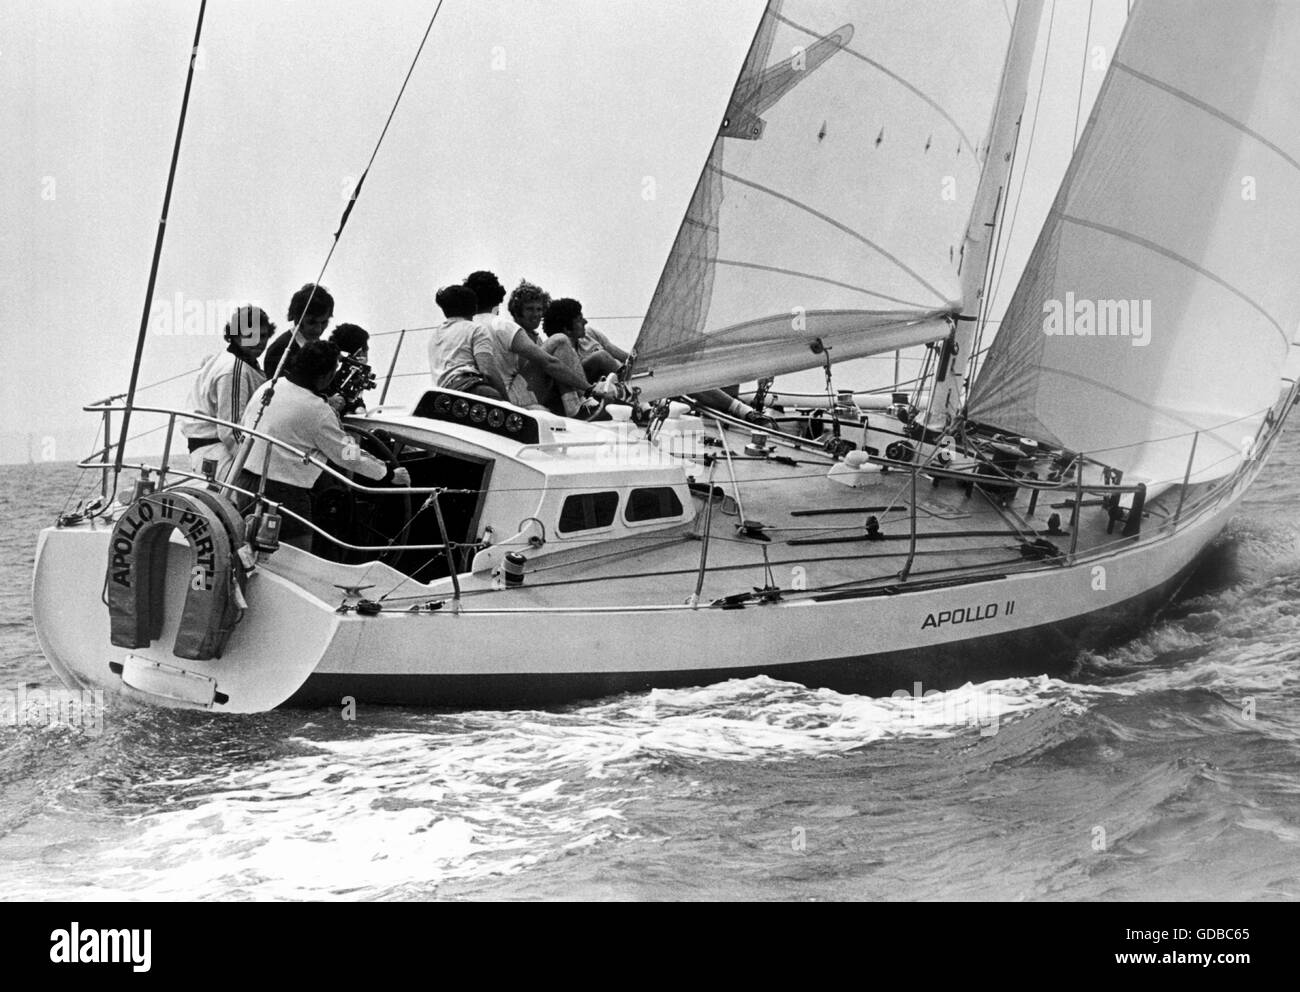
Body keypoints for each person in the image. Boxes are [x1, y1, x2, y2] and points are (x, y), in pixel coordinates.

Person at [237, 339, 410, 553]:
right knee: (297, 563)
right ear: (327, 375)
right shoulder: (318, 411)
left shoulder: (270, 386)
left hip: (244, 482)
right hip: (284, 495)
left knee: (247, 550)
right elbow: (346, 454)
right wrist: (387, 473)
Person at [464, 270, 590, 409]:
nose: (536, 314)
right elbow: (548, 363)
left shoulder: (464, 327)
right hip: (508, 396)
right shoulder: (505, 328)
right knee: (560, 340)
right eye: (530, 309)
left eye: (539, 309)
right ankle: (578, 404)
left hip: (483, 396)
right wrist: (590, 388)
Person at [182, 305, 275, 481]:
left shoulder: (240, 362)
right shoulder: (234, 370)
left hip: (210, 447)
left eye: (263, 336)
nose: (259, 341)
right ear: (235, 336)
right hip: (214, 448)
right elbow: (231, 430)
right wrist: (257, 463)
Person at [427, 285, 504, 399]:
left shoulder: (435, 336)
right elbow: (487, 370)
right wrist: (506, 399)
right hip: (469, 387)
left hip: (442, 394)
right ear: (474, 307)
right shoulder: (476, 330)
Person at [263, 283, 335, 379]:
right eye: (311, 322)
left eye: (324, 322)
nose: (318, 330)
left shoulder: (319, 348)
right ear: (296, 318)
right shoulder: (279, 350)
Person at [328, 322, 372, 413]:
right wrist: (329, 401)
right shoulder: (331, 374)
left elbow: (353, 398)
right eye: (365, 348)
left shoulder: (350, 375)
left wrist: (359, 406)